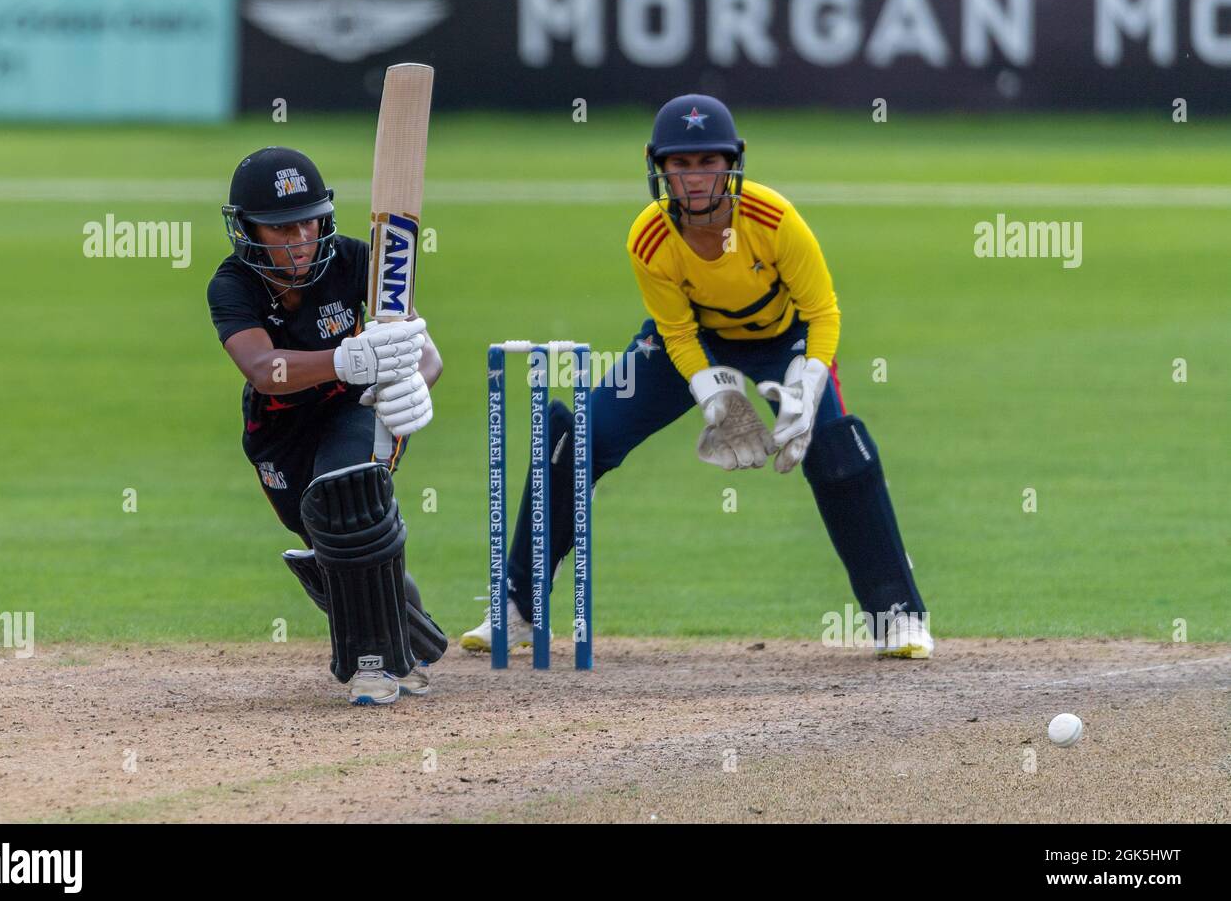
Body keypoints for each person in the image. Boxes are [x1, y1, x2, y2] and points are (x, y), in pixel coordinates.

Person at [461, 96, 932, 659]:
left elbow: (824, 311)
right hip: (687, 342)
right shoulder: (649, 238)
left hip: (785, 340)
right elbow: (678, 334)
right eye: (679, 165)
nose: (694, 178)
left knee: (836, 452)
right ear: (657, 166)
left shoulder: (775, 220)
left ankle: (897, 615)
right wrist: (715, 393)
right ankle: (517, 605)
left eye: (708, 162)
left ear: (734, 161)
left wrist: (808, 382)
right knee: (578, 435)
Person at [207, 146, 448, 705]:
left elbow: (423, 353)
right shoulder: (232, 286)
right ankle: (412, 637)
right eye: (280, 229)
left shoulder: (359, 260)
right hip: (279, 431)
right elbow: (265, 372)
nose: (298, 240)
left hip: (353, 410)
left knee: (348, 511)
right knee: (332, 542)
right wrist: (348, 359)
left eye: (307, 223)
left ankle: (374, 664)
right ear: (247, 231)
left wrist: (414, 385)